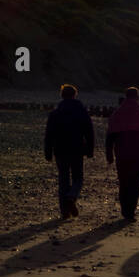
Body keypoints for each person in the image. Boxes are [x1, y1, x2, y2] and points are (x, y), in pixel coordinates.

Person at [105, 86, 139, 222]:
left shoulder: (117, 113)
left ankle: (125, 210)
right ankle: (131, 211)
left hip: (121, 153)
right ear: (137, 97)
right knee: (135, 182)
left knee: (124, 182)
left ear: (126, 96)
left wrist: (109, 154)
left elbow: (110, 135)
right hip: (137, 153)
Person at [44, 84, 94, 218]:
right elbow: (89, 132)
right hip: (77, 149)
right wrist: (90, 149)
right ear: (75, 95)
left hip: (60, 149)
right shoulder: (82, 111)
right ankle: (72, 196)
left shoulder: (55, 113)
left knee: (63, 179)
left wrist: (48, 152)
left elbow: (49, 134)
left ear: (62, 95)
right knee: (78, 177)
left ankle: (64, 211)